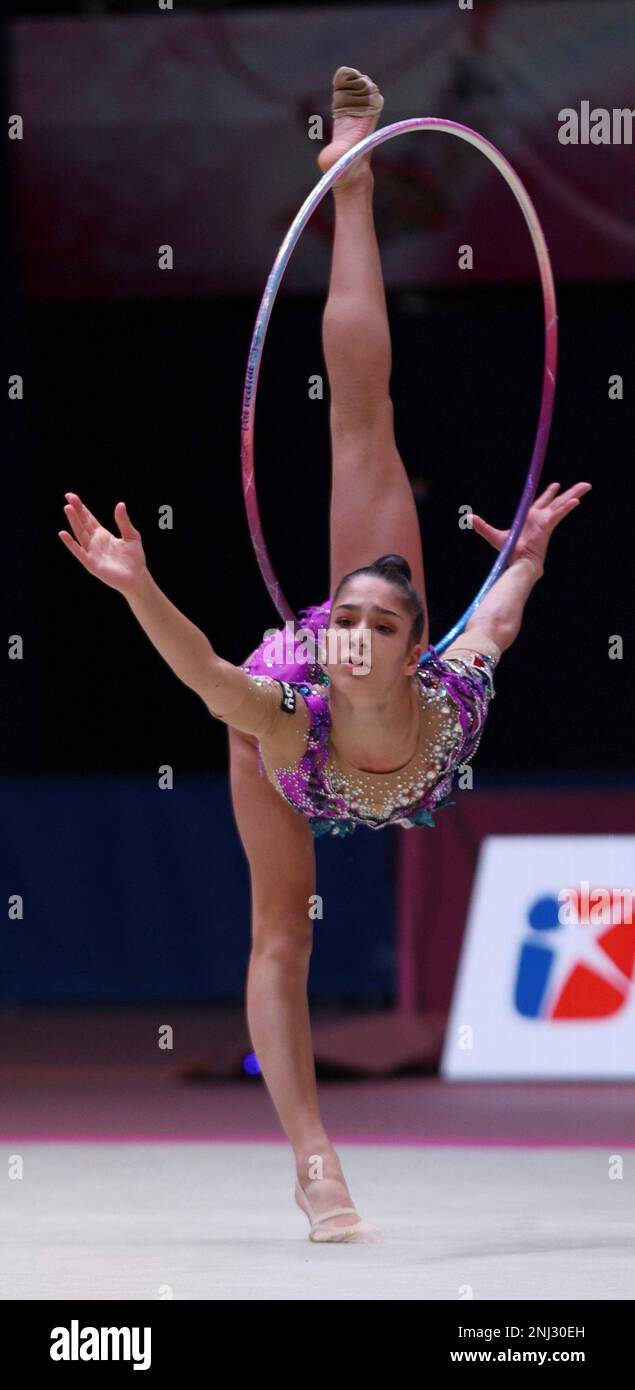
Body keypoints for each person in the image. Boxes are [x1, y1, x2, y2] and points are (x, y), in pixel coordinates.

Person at [59, 66, 591, 1242]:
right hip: (274, 733)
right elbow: (207, 678)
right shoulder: (292, 702)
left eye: (373, 624)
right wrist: (137, 582)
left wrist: (530, 555)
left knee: (367, 421)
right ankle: (311, 1158)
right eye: (343, 619)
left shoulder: (447, 693)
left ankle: (347, 184)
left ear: (412, 650)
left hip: (368, 742)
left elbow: (497, 613)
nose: (349, 632)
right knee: (282, 928)